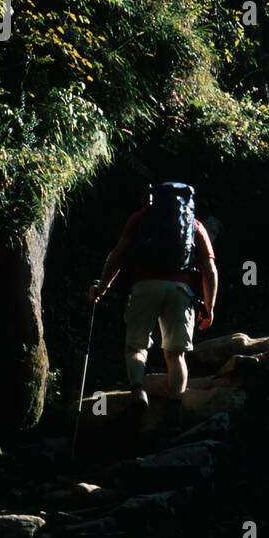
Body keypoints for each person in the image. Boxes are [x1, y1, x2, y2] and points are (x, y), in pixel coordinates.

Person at [88, 184, 218, 430]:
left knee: (135, 346)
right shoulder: (194, 226)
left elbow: (116, 256)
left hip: (144, 286)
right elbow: (210, 270)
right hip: (180, 291)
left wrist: (102, 288)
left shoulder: (141, 218)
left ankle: (138, 394)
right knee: (175, 354)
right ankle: (175, 411)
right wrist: (209, 307)